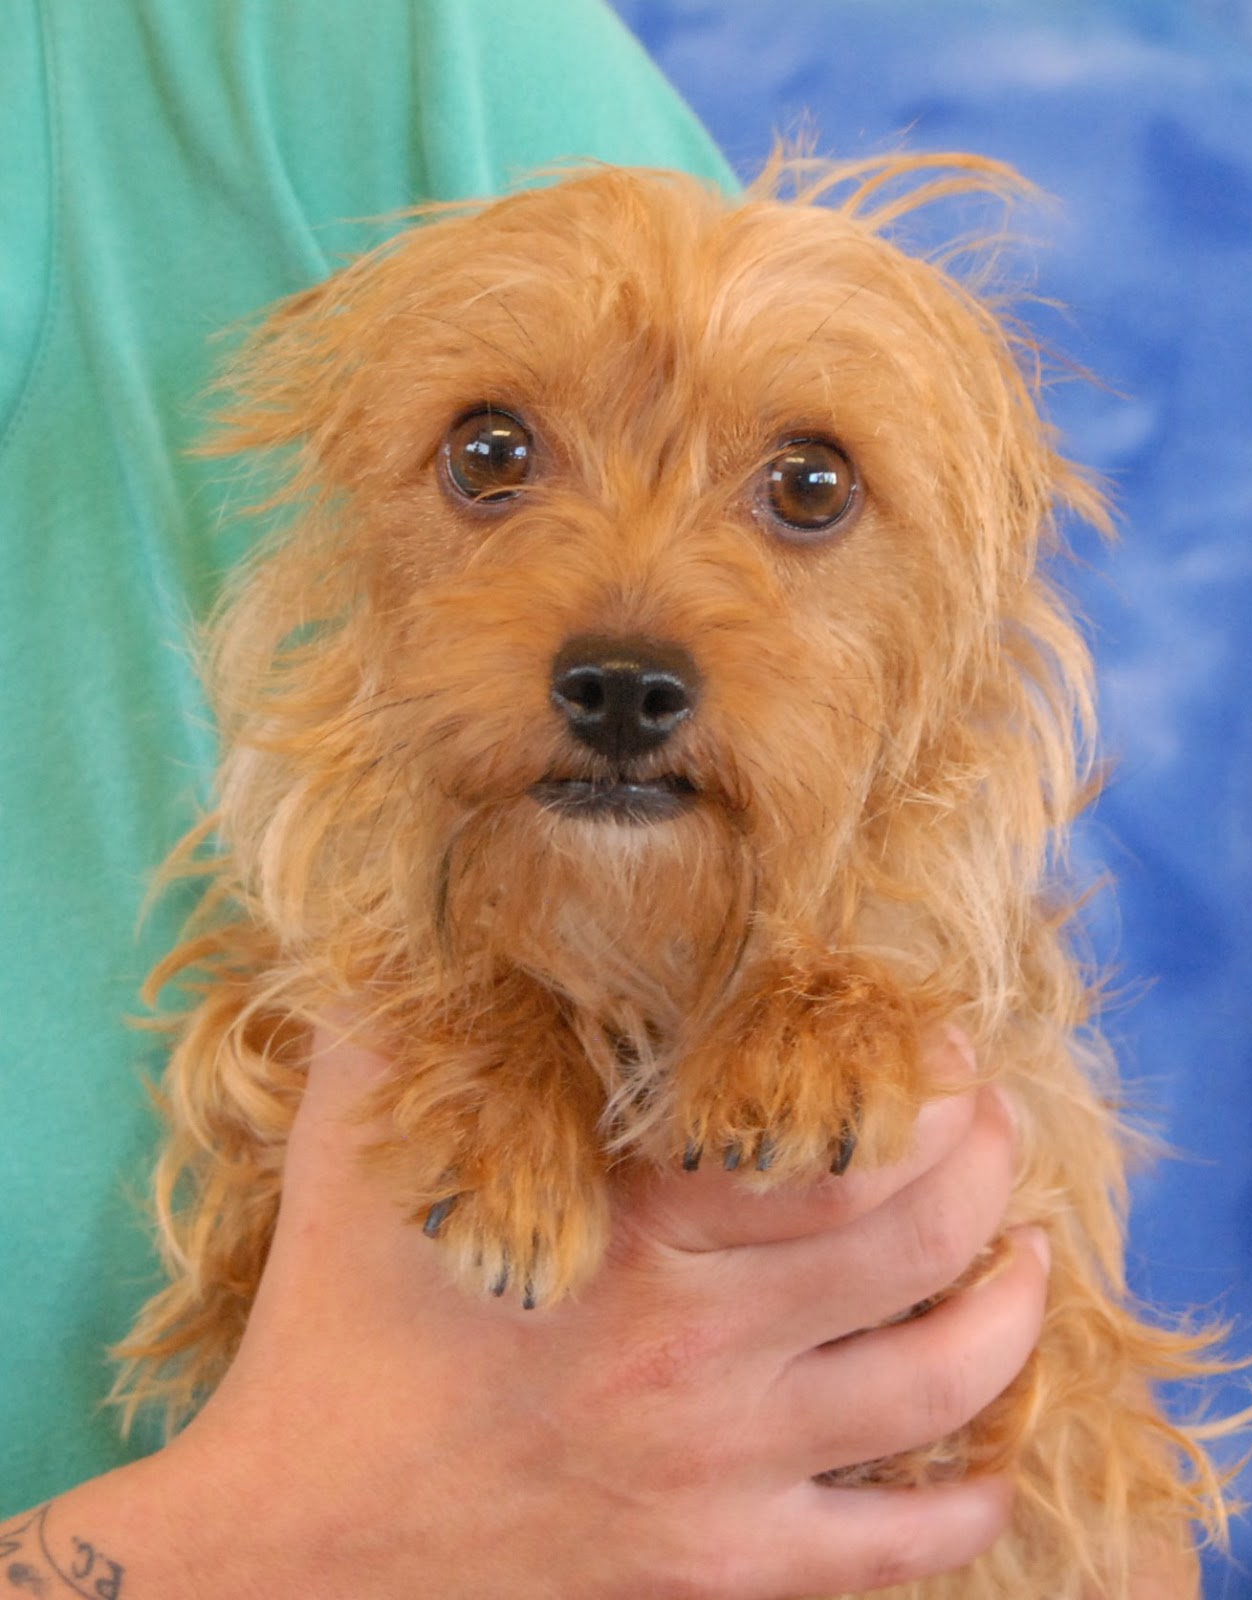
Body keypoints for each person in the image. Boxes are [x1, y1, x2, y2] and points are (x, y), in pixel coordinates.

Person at [0, 2, 1048, 1592]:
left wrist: (855, 1011)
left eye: (804, 492)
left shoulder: (394, 56)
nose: (625, 623)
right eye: (494, 464)